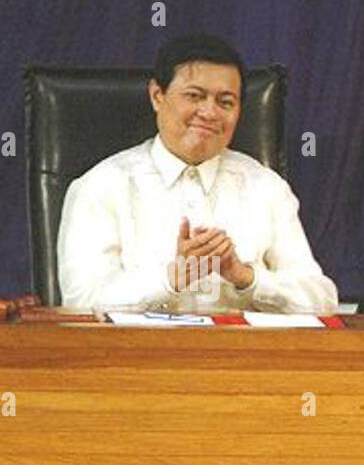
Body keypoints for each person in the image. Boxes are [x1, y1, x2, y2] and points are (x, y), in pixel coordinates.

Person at [57, 33, 338, 314]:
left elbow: (323, 301)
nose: (209, 112)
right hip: (137, 355)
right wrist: (171, 279)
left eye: (225, 102)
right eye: (195, 96)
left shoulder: (266, 187)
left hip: (247, 354)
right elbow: (81, 304)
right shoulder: (101, 187)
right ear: (157, 96)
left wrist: (246, 278)